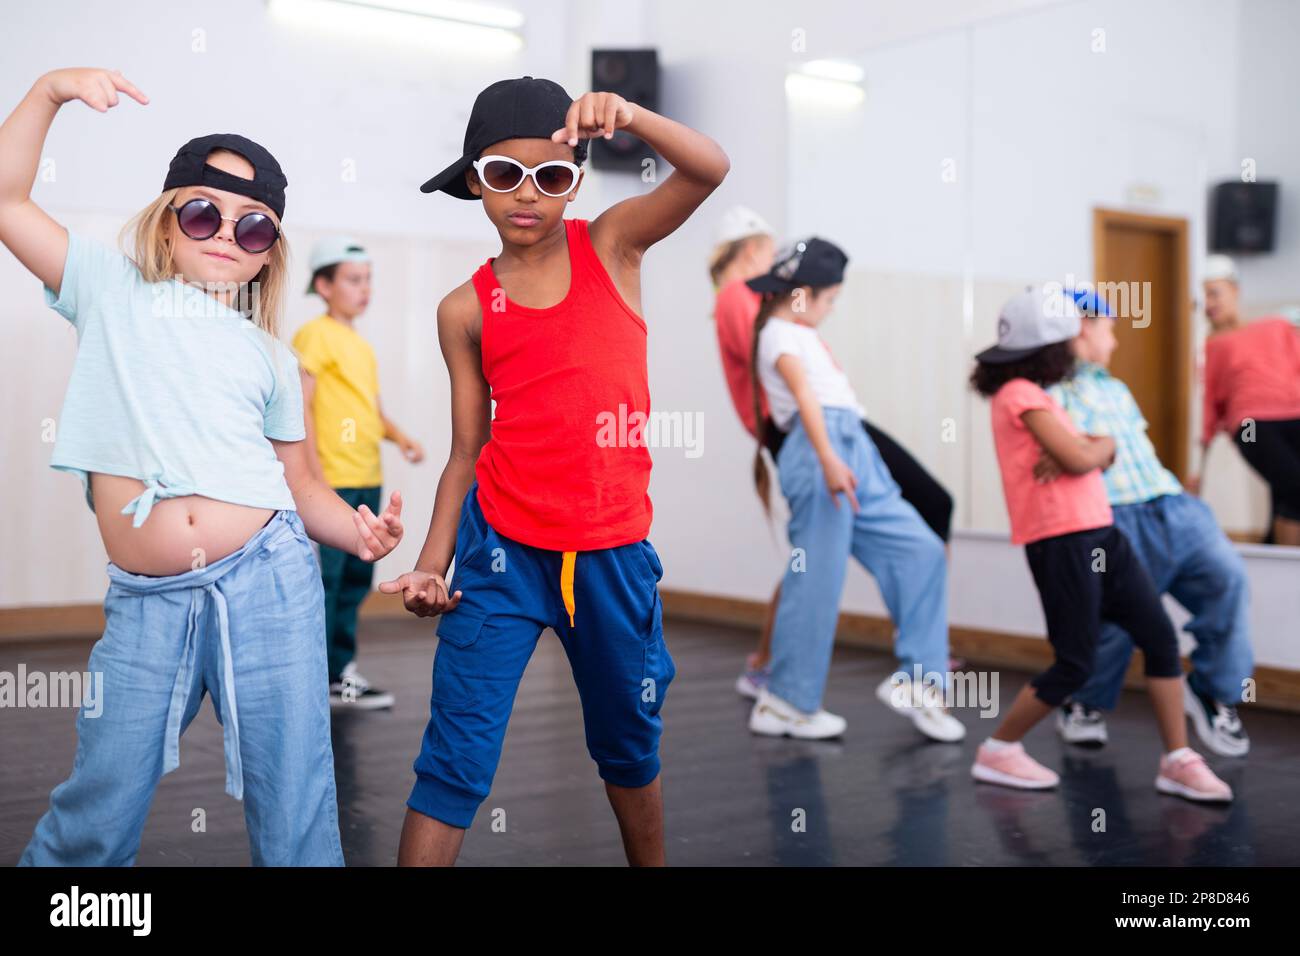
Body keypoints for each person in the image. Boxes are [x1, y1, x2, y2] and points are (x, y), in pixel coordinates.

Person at [2, 67, 404, 866]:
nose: (226, 234)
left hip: (269, 575)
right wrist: (48, 93)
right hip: (150, 598)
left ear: (267, 255)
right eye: (203, 213)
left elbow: (303, 484)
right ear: (165, 222)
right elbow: (9, 202)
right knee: (104, 784)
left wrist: (359, 534)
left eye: (253, 228)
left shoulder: (271, 356)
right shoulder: (108, 287)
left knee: (293, 782)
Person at [379, 77, 729, 866]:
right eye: (505, 175)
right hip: (499, 554)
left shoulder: (613, 246)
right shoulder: (462, 310)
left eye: (552, 176)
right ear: (476, 181)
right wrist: (432, 564)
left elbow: (709, 169)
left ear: (575, 183)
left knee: (628, 745)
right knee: (454, 756)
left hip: (610, 553)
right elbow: (467, 450)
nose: (527, 195)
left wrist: (632, 115)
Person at [968, 285, 1230, 801]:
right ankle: (998, 749)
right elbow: (1083, 459)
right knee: (1075, 662)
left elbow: (1080, 454)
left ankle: (1177, 758)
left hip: (1099, 529)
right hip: (1060, 540)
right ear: (1052, 347)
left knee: (1158, 638)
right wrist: (1096, 446)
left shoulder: (1040, 397)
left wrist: (1088, 447)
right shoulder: (1020, 394)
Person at [707, 207, 954, 701]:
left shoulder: (781, 321)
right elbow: (780, 368)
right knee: (817, 563)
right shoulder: (746, 303)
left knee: (882, 545)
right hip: (810, 432)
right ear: (754, 250)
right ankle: (779, 683)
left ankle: (922, 663)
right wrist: (820, 449)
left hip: (831, 427)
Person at [1046, 289, 1253, 757]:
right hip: (1113, 517)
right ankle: (1085, 702)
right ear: (1083, 327)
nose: (1115, 341)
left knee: (1228, 582)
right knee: (1118, 621)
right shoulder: (1045, 395)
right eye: (1109, 328)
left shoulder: (1115, 388)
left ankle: (1213, 691)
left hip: (1173, 506)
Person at [296, 237, 425, 709]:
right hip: (334, 479)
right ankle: (316, 678)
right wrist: (311, 473)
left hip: (367, 476)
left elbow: (372, 411)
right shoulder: (314, 335)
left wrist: (401, 437)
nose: (364, 288)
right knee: (327, 581)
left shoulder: (360, 346)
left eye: (368, 279)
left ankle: (338, 672)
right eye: (353, 279)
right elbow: (302, 405)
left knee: (355, 578)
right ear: (324, 285)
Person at [1191, 254, 1300, 545]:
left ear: (1234, 290)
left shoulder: (1276, 326)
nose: (1209, 303)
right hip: (1251, 425)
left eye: (1214, 293)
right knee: (1294, 487)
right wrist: (1198, 464)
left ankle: (1273, 549)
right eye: (1202, 298)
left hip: (1294, 414)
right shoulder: (1210, 347)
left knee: (1286, 491)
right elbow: (1208, 403)